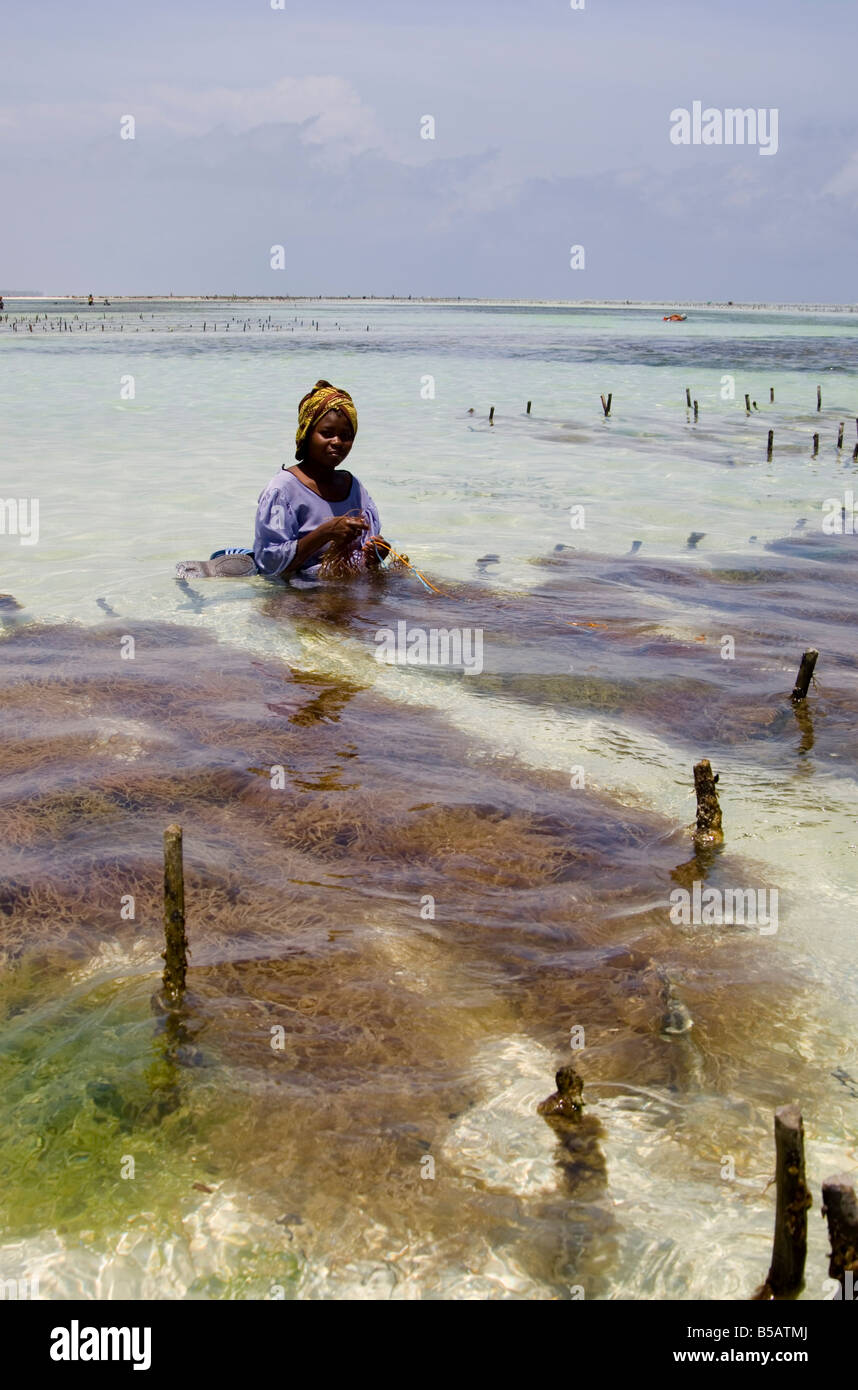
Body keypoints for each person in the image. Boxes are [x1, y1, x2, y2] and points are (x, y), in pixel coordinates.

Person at [252, 380, 384, 582]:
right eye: (327, 434)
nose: (337, 442)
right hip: (305, 593)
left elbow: (365, 551)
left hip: (348, 585)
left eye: (346, 436)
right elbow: (269, 565)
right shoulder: (282, 491)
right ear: (307, 433)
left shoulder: (354, 488)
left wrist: (376, 554)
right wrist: (325, 533)